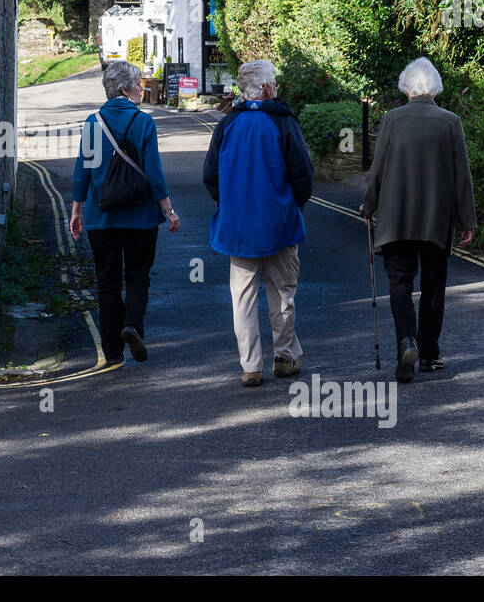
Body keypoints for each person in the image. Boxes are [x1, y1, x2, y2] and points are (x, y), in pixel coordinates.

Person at [361, 56, 477, 383]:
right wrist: (466, 220)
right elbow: (461, 177)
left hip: (396, 221)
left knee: (399, 284)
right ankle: (428, 354)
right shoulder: (450, 121)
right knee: (433, 286)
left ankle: (406, 342)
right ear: (435, 87)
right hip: (435, 223)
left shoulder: (392, 120)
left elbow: (377, 171)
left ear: (407, 88)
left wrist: (368, 205)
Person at [203, 61, 314, 386]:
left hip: (238, 229)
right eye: (275, 82)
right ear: (266, 89)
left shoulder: (227, 125)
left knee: (243, 298)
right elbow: (303, 174)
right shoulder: (282, 123)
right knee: (282, 294)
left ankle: (251, 366)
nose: (277, 87)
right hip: (278, 225)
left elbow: (210, 176)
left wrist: (230, 206)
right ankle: (284, 357)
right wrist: (295, 205)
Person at [70, 60, 181, 366]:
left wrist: (77, 209)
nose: (142, 87)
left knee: (106, 282)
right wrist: (169, 210)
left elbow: (83, 169)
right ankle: (132, 325)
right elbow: (154, 174)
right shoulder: (144, 123)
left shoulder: (92, 123)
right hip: (140, 217)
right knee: (137, 275)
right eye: (138, 83)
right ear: (124, 89)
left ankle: (112, 352)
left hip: (101, 217)